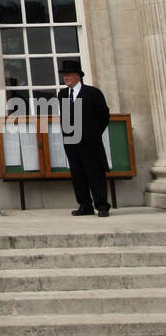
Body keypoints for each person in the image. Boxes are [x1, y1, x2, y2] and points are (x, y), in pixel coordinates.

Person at [59, 59, 111, 217]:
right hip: (71, 141)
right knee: (77, 173)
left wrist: (93, 133)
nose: (66, 78)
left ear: (77, 76)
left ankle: (102, 205)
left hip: (90, 141)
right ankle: (84, 204)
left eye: (68, 75)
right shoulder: (62, 94)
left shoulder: (93, 93)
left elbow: (103, 116)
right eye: (64, 75)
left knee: (94, 172)